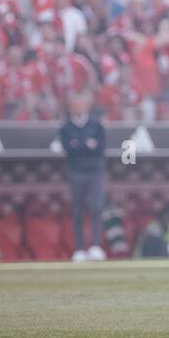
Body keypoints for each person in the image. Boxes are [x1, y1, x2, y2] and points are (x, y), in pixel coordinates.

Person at [59, 91, 107, 261]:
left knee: (96, 207)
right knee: (78, 211)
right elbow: (68, 149)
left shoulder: (96, 125)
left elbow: (100, 148)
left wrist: (79, 145)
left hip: (95, 172)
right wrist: (86, 145)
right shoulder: (66, 128)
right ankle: (79, 248)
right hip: (76, 172)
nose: (78, 107)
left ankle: (95, 245)